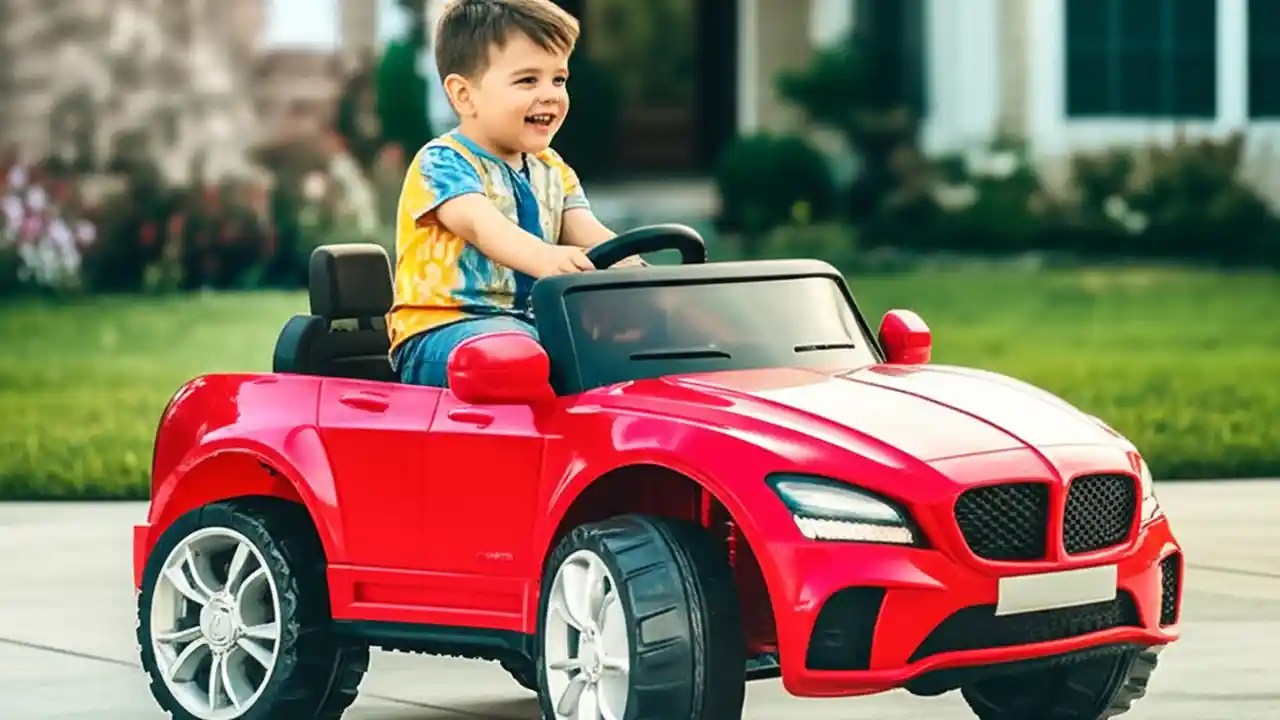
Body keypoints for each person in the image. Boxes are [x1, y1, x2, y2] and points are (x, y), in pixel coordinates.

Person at [386, 0, 634, 387]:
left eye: (559, 79)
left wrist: (642, 276)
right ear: (464, 95)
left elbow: (591, 234)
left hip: (531, 329)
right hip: (445, 332)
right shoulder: (442, 163)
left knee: (631, 344)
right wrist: (547, 258)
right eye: (527, 80)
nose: (551, 94)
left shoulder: (552, 169)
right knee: (519, 354)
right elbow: (484, 227)